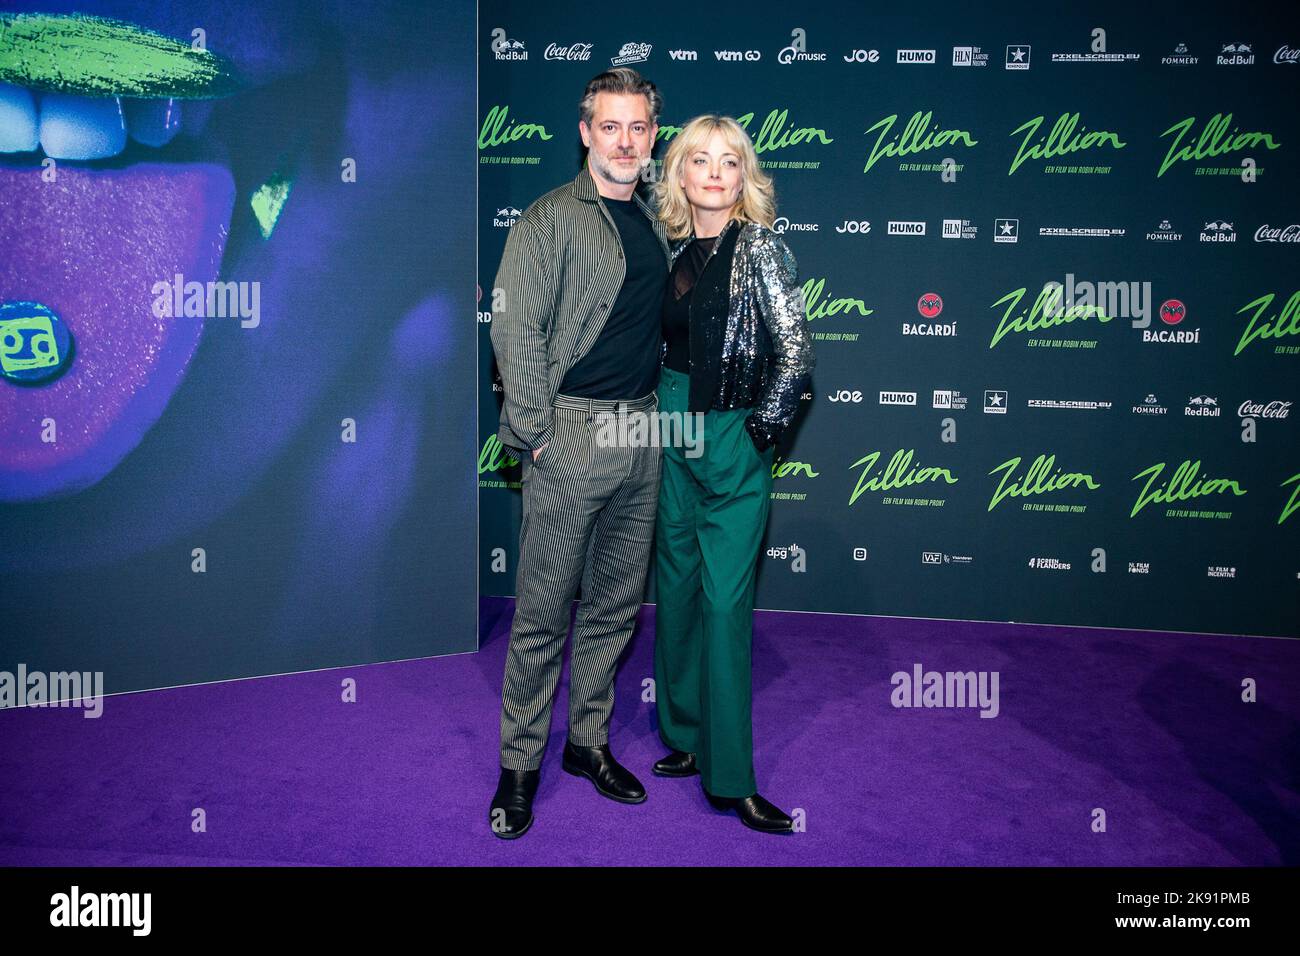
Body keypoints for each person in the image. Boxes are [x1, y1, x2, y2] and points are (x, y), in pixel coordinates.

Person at [487, 68, 671, 839]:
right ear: (586, 132)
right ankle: (519, 766)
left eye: (639, 128)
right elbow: (514, 330)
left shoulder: (658, 218)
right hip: (571, 431)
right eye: (611, 126)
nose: (625, 141)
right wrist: (538, 433)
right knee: (540, 618)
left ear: (651, 136)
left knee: (614, 608)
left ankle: (587, 744)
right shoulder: (547, 220)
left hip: (642, 430)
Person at [650, 115, 815, 834]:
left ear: (744, 177)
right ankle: (685, 737)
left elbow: (796, 355)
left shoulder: (762, 250)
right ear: (681, 174)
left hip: (730, 433)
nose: (714, 172)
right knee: (678, 591)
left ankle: (732, 776)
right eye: (699, 160)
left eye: (728, 161)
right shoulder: (670, 249)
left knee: (723, 605)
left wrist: (758, 434)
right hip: (668, 425)